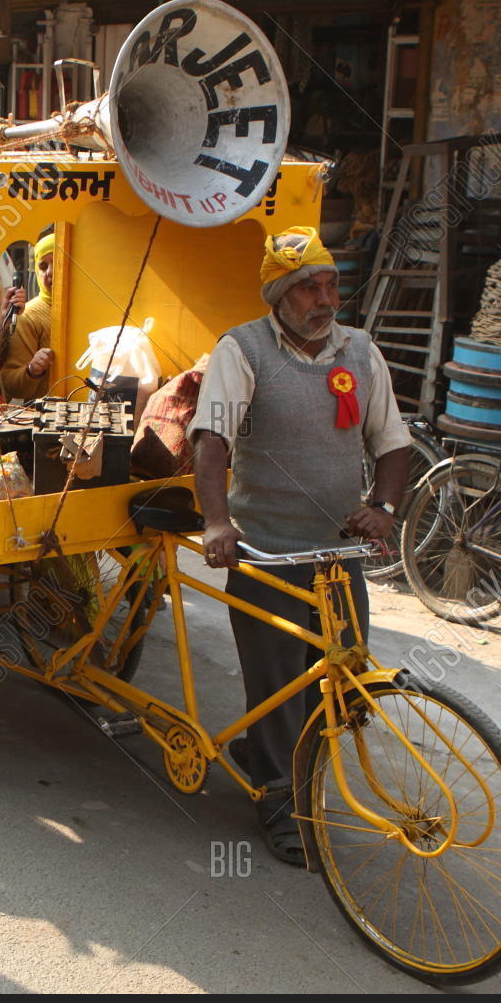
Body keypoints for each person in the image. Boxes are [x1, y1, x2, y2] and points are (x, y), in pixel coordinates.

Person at [189, 226, 411, 866]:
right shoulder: (243, 349)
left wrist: (384, 508)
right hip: (269, 553)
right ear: (278, 297)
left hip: (336, 555)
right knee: (280, 684)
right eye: (308, 288)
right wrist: (217, 522)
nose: (325, 299)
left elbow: (392, 441)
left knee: (344, 679)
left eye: (331, 284)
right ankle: (281, 801)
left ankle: (270, 756)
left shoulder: (360, 352)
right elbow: (213, 440)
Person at [1, 233, 56, 400]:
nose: (50, 272)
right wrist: (32, 370)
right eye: (43, 266)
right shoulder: (29, 316)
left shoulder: (88, 310)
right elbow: (9, 384)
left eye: (57, 263)